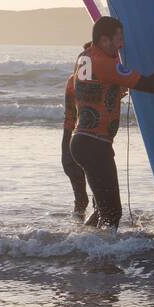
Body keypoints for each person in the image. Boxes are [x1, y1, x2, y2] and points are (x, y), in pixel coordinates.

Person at [69, 16, 154, 230]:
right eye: (119, 39)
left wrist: (114, 89)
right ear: (104, 41)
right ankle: (97, 254)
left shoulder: (84, 57)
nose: (122, 44)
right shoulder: (106, 64)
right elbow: (151, 85)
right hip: (95, 145)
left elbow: (95, 87)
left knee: (103, 210)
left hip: (82, 141)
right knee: (113, 213)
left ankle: (83, 243)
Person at [61, 42, 92, 220]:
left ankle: (84, 222)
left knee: (89, 188)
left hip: (82, 136)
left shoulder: (75, 79)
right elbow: (71, 113)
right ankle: (83, 230)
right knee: (75, 171)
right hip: (78, 134)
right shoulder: (74, 81)